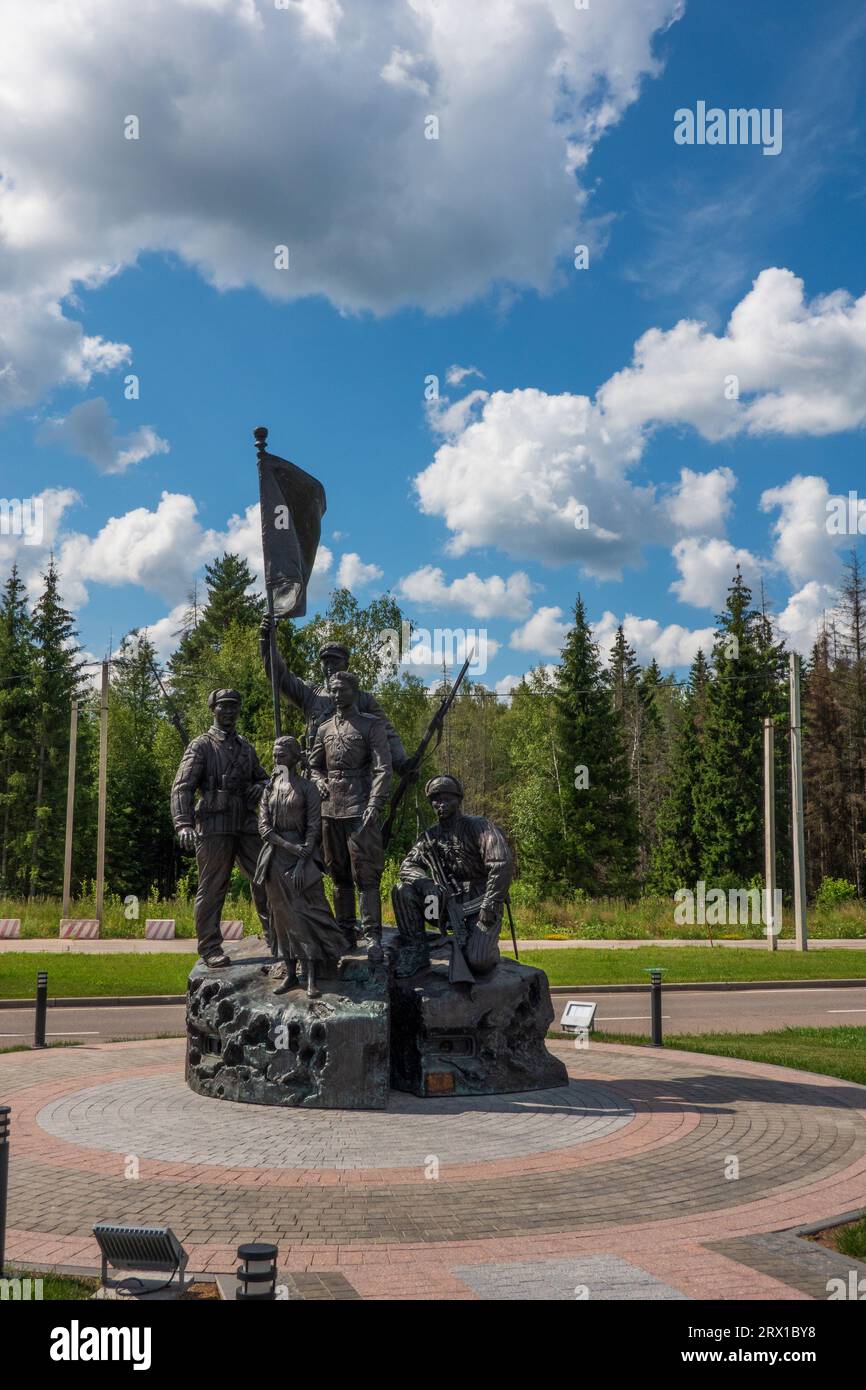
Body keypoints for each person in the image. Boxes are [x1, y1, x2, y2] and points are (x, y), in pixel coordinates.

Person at [170, 688, 270, 968]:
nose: (229, 711)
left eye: (234, 707)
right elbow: (182, 787)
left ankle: (274, 934)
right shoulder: (201, 746)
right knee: (213, 888)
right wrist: (183, 824)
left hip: (246, 823)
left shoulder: (245, 747)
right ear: (213, 709)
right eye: (223, 707)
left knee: (266, 877)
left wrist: (259, 788)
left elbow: (264, 779)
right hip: (214, 824)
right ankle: (210, 946)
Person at [255, 736, 354, 998]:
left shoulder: (308, 788)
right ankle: (290, 974)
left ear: (295, 758)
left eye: (281, 755)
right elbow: (264, 828)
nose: (276, 759)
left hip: (303, 861)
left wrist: (301, 860)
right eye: (274, 755)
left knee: (303, 918)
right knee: (282, 921)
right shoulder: (269, 788)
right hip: (275, 861)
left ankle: (311, 977)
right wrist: (289, 848)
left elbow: (313, 829)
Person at [392, 774, 513, 979]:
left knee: (478, 962)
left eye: (448, 798)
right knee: (402, 890)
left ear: (458, 800)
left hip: (480, 903)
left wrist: (490, 904)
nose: (441, 804)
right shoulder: (430, 837)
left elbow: (501, 865)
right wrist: (425, 883)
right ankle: (416, 951)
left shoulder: (479, 827)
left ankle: (486, 949)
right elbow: (407, 865)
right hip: (442, 905)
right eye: (436, 799)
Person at [307, 671, 392, 961]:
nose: (336, 695)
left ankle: (372, 936)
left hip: (360, 806)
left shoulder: (371, 725)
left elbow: (383, 768)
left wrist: (375, 803)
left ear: (354, 691)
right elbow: (314, 765)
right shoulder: (324, 728)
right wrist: (318, 781)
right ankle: (345, 932)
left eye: (342, 689)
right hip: (330, 809)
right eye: (332, 690)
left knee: (366, 874)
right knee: (338, 872)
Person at [259, 616, 409, 769]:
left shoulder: (364, 699)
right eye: (326, 662)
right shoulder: (311, 694)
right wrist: (266, 641)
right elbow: (280, 676)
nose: (330, 666)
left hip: (354, 779)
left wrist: (402, 763)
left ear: (347, 665)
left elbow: (387, 733)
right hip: (317, 778)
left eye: (335, 661)